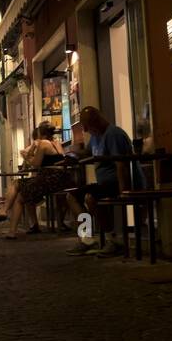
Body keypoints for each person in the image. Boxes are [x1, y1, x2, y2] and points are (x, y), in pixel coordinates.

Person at [64, 106, 136, 258]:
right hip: (104, 184)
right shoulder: (96, 136)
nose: (85, 130)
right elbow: (88, 153)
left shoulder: (114, 134)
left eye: (87, 126)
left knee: (91, 198)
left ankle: (112, 240)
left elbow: (121, 164)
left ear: (97, 122)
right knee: (72, 196)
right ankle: (87, 238)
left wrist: (123, 191)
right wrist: (74, 153)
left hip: (116, 182)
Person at [0, 122, 75, 239]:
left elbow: (36, 163)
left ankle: (8, 221)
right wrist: (32, 149)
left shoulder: (43, 143)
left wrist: (27, 155)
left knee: (20, 196)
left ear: (40, 133)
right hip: (61, 178)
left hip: (49, 179)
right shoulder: (56, 143)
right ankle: (6, 214)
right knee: (19, 186)